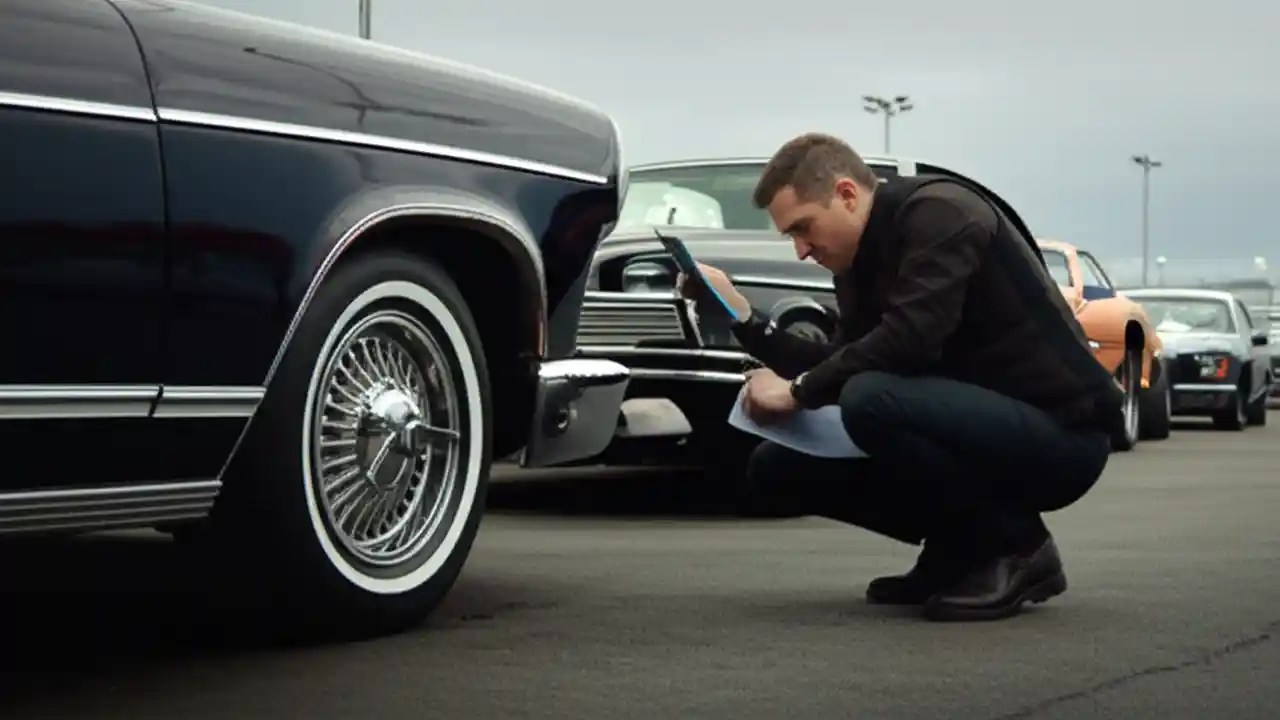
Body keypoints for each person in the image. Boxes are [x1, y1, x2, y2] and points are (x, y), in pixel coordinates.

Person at [678, 132, 1123, 622]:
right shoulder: (856, 263)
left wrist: (798, 392)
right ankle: (959, 547)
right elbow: (845, 358)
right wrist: (745, 321)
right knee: (774, 466)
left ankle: (1018, 547)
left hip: (1062, 436)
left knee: (871, 398)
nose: (802, 250)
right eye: (791, 237)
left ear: (846, 195)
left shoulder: (943, 213)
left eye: (804, 228)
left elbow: (910, 341)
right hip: (976, 428)